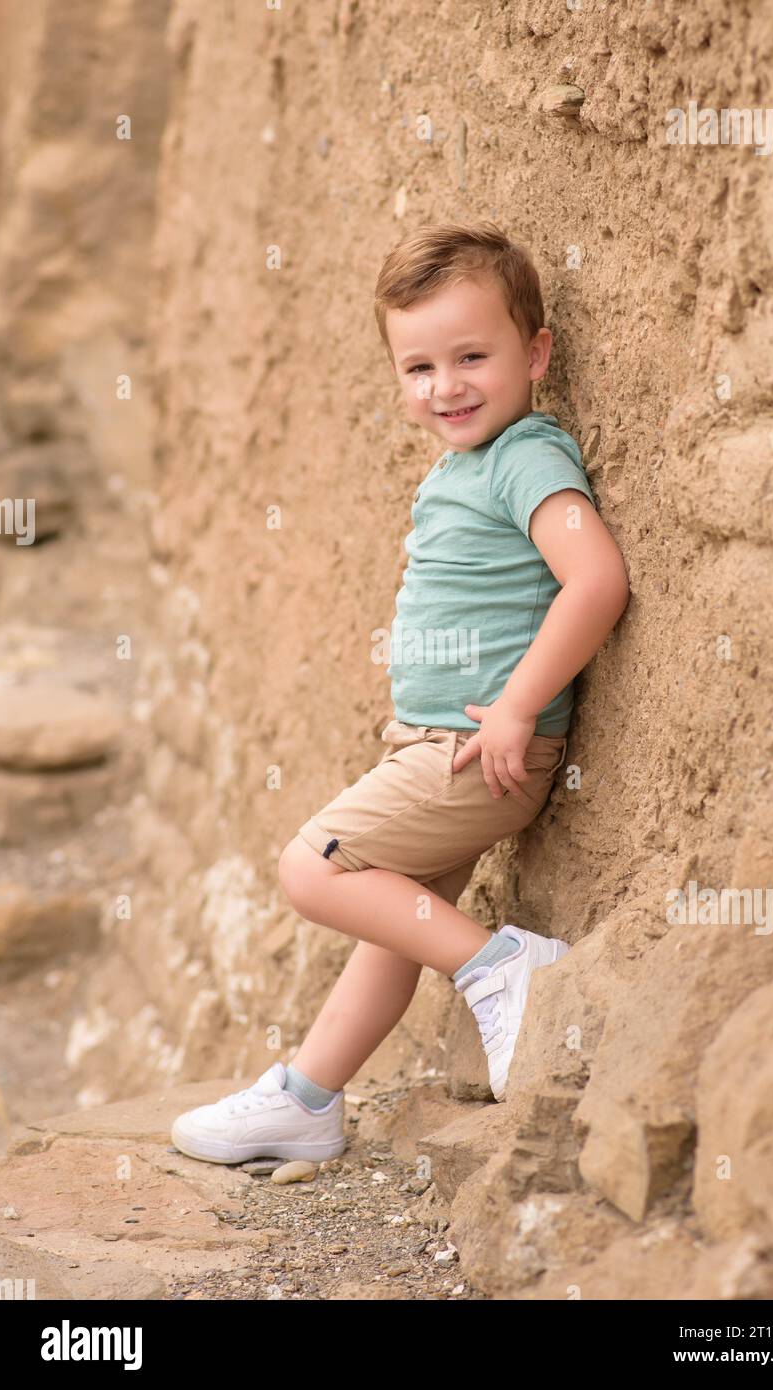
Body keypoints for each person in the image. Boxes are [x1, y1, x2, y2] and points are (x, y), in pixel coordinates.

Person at [171, 220, 630, 1165]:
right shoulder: (459, 469)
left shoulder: (526, 457)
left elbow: (596, 581)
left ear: (535, 353)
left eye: (472, 356)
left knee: (314, 869)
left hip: (473, 748)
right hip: (426, 744)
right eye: (419, 367)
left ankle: (500, 967)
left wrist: (512, 706)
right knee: (393, 931)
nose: (446, 385)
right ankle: (305, 1099)